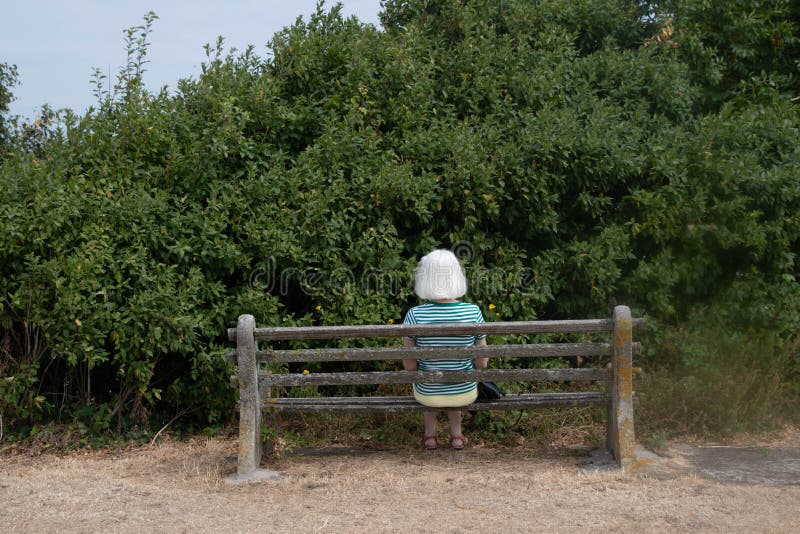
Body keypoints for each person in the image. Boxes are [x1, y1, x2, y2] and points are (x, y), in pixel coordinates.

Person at [402, 249, 488, 450]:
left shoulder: (415, 315)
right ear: (456, 277)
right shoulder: (472, 312)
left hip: (428, 392)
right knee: (456, 377)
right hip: (464, 391)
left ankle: (430, 436)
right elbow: (482, 362)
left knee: (427, 378)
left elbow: (410, 366)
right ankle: (457, 436)